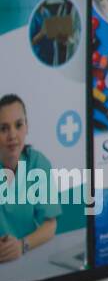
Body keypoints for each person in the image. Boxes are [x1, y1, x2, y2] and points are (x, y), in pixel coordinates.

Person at [0, 94, 61, 263]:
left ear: (27, 127)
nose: (12, 135)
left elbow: (50, 225)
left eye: (18, 125)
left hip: (29, 257)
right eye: (3, 128)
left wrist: (22, 245)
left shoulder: (37, 163)